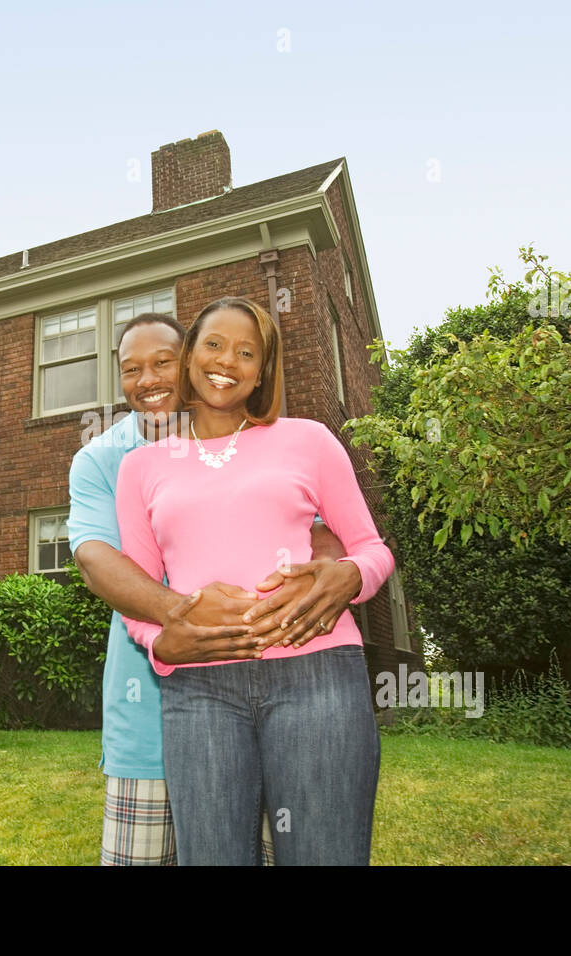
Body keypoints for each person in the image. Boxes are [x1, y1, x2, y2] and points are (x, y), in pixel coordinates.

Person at [67, 311, 365, 866]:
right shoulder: (105, 460)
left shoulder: (278, 442)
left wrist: (334, 567)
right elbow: (94, 559)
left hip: (283, 684)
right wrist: (177, 622)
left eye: (162, 362)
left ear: (189, 363)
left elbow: (328, 534)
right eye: (131, 369)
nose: (148, 380)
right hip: (153, 703)